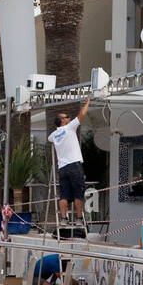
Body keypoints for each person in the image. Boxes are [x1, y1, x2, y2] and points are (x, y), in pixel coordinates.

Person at [47, 99, 91, 233]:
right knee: (78, 193)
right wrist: (88, 102)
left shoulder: (54, 135)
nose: (69, 118)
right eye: (66, 117)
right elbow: (82, 114)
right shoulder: (69, 127)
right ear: (62, 121)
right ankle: (78, 219)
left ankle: (63, 218)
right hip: (74, 166)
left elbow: (50, 138)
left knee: (64, 195)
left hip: (62, 168)